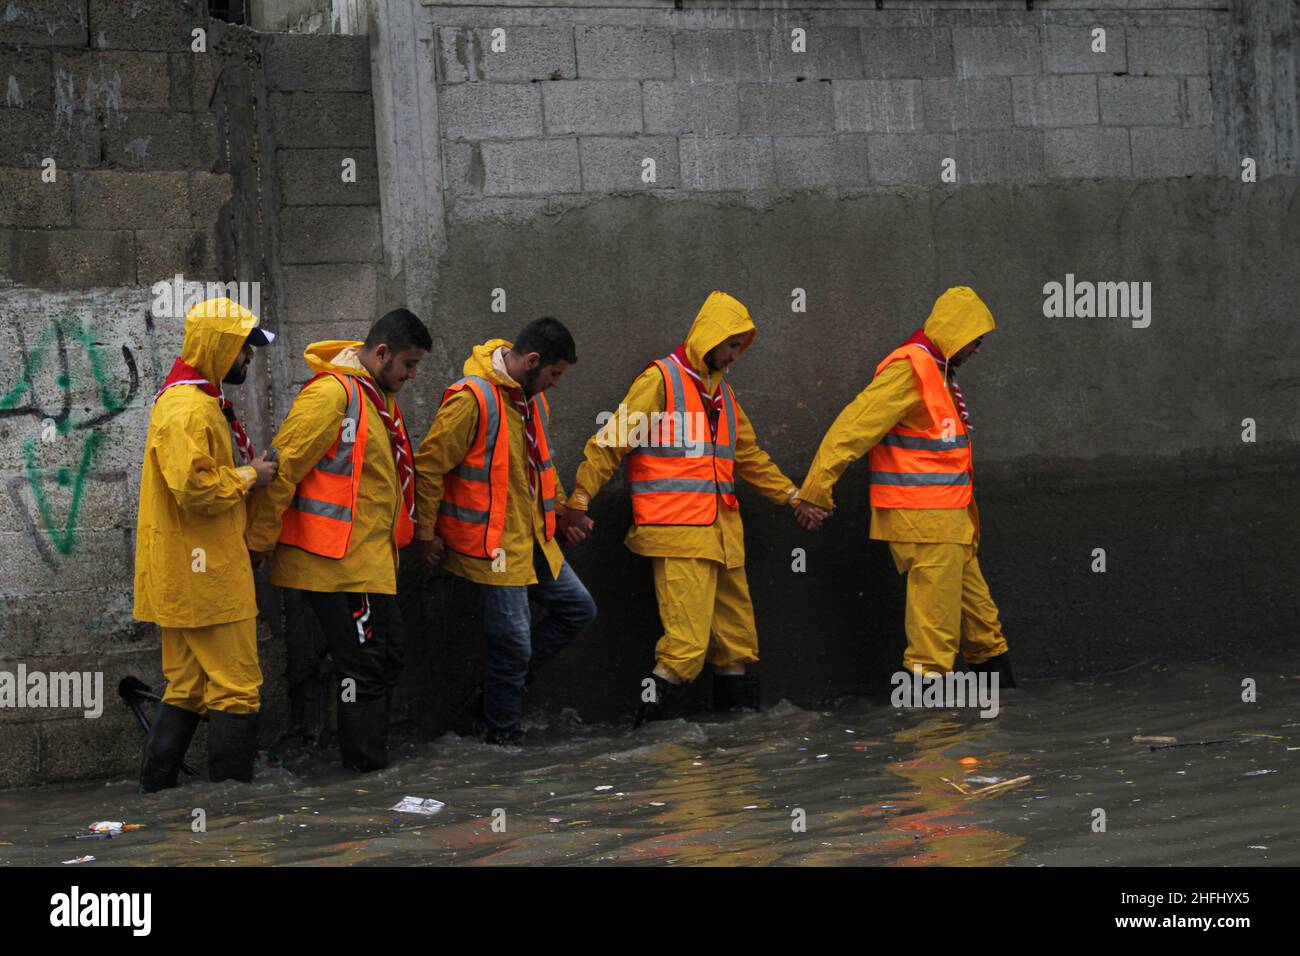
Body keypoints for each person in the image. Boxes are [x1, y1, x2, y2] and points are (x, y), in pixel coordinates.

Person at [564, 291, 801, 725]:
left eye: (739, 348)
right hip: (678, 533)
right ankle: (645, 732)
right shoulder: (661, 381)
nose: (734, 356)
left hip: (723, 538)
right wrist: (579, 499)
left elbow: (749, 456)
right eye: (731, 345)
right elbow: (610, 443)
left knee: (735, 643)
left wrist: (791, 495)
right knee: (684, 648)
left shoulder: (721, 394)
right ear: (709, 338)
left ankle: (735, 749)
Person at [794, 286, 1014, 687]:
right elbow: (852, 428)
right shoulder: (911, 370)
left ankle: (1001, 718)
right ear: (955, 335)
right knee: (933, 642)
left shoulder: (936, 371)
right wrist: (816, 489)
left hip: (951, 523)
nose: (978, 350)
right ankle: (928, 739)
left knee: (982, 626)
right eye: (975, 341)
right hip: (926, 523)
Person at [245, 309, 431, 772]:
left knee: (386, 659)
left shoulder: (375, 396)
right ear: (382, 353)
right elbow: (283, 470)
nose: (411, 376)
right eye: (408, 364)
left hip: (368, 562)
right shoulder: (333, 395)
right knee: (365, 666)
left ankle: (364, 766)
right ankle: (365, 774)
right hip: (338, 564)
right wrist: (259, 541)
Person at [412, 318, 597, 746]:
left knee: (577, 611)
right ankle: (503, 738)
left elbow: (541, 466)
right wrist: (424, 535)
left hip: (534, 538)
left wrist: (564, 512)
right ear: (532, 361)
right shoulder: (472, 399)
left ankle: (497, 699)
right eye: (553, 373)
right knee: (512, 646)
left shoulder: (532, 401)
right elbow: (429, 467)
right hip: (494, 547)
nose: (554, 384)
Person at [135, 297, 278, 792]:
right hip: (208, 578)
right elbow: (194, 490)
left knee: (190, 687)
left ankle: (157, 796)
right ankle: (234, 814)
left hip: (191, 576)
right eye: (244, 349)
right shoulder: (188, 409)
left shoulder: (192, 401)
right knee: (237, 689)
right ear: (220, 348)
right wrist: (251, 475)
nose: (249, 359)